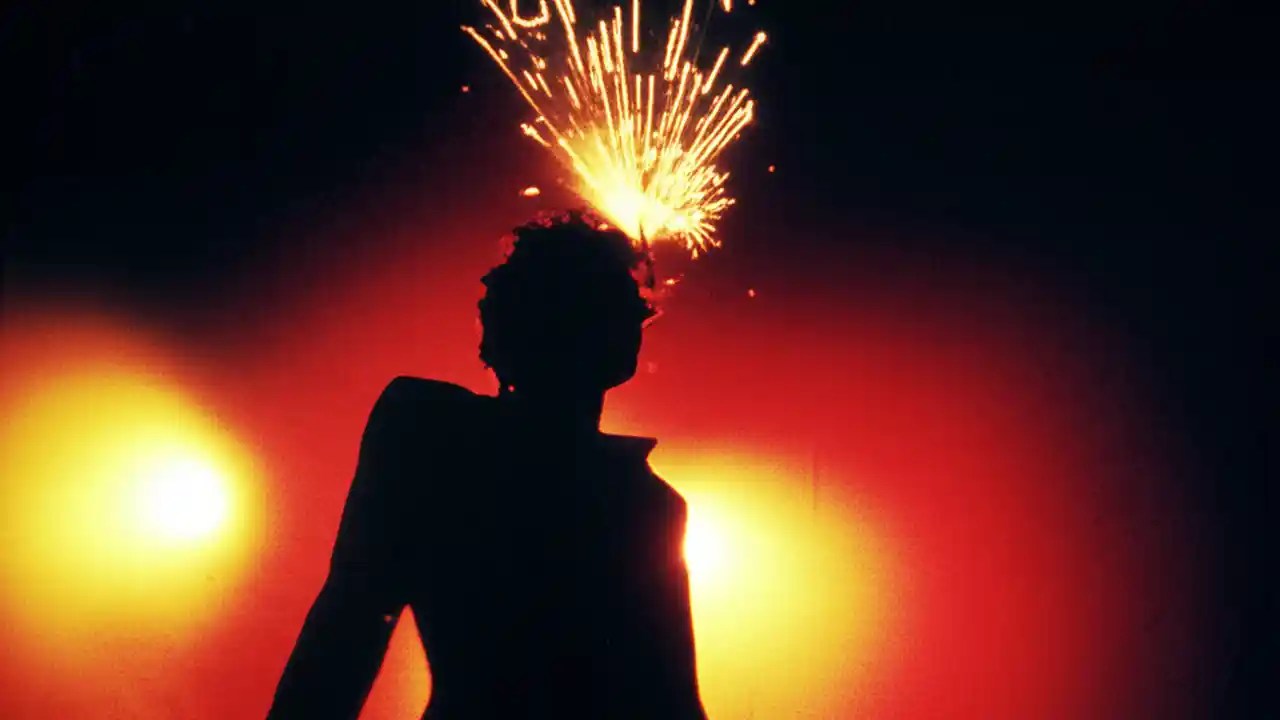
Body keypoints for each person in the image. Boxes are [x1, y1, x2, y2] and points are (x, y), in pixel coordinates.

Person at [267, 211, 708, 719]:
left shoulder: (425, 427)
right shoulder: (643, 502)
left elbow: (352, 618)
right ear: (624, 340)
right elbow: (670, 702)